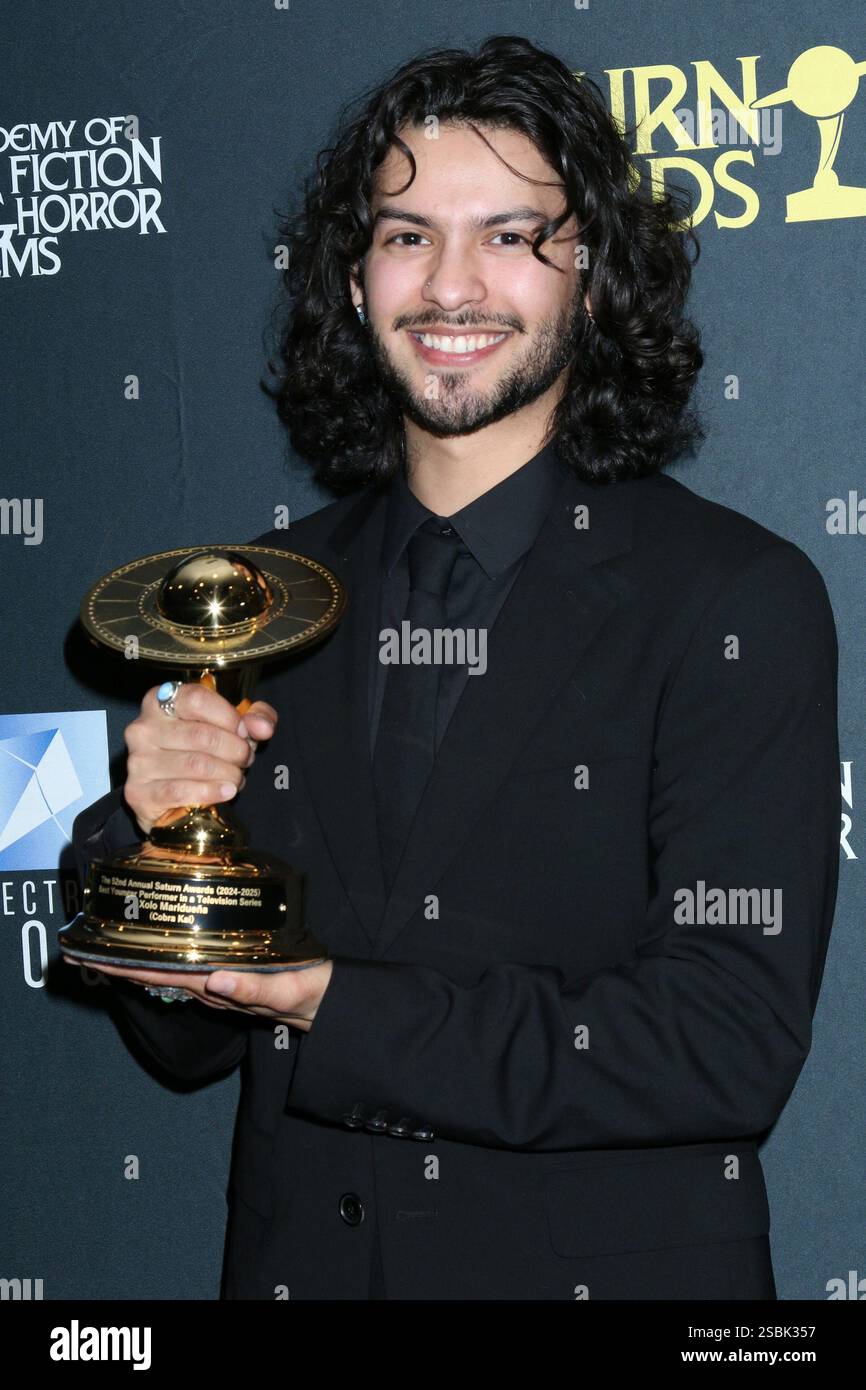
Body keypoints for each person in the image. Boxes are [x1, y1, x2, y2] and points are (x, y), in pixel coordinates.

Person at [67, 35, 840, 1300]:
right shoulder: (265, 595)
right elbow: (179, 1043)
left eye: (511, 236)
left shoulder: (730, 599)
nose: (451, 285)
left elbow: (721, 1044)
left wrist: (328, 1006)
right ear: (356, 275)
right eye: (408, 234)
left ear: (591, 275)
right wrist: (148, 832)